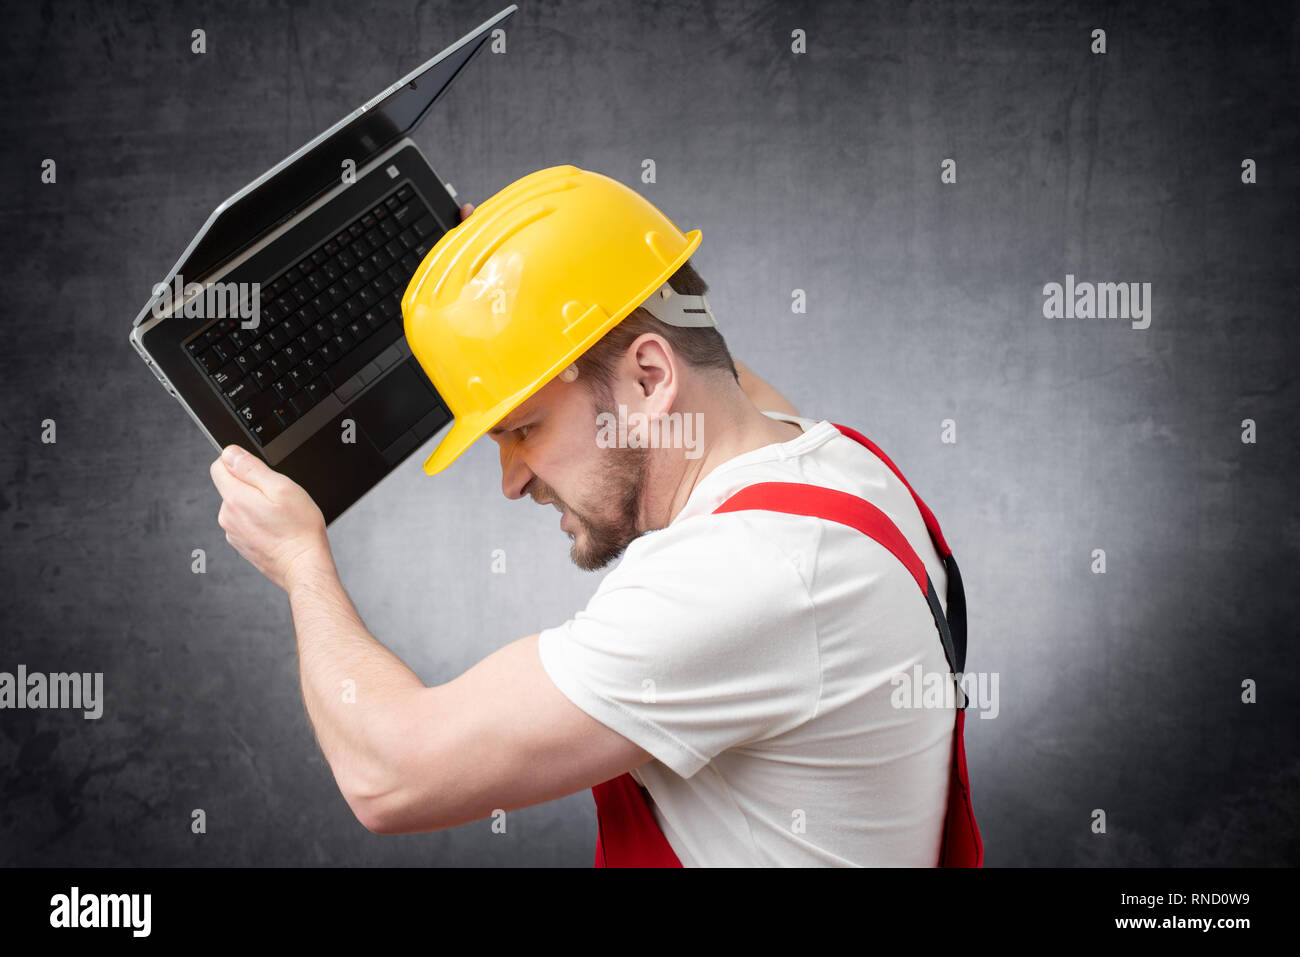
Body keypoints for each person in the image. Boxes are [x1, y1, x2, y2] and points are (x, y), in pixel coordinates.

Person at [209, 166, 976, 866]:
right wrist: (515, 286)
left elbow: (389, 775)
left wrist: (300, 562)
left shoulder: (737, 579)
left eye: (522, 428)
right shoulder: (830, 462)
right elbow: (700, 356)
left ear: (649, 380)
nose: (511, 481)